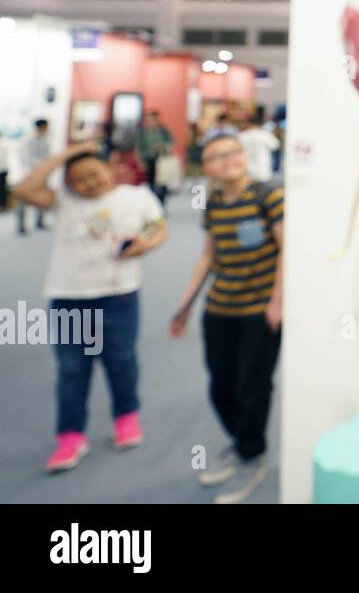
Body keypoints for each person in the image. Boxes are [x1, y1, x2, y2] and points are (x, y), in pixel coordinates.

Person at [12, 140, 167, 472]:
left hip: (119, 296)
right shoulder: (63, 202)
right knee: (71, 371)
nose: (89, 183)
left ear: (108, 169)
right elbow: (23, 189)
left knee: (121, 362)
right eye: (79, 179)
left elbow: (157, 227)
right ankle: (70, 436)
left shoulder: (136, 196)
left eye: (95, 174)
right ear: (68, 183)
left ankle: (126, 417)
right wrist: (67, 154)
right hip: (70, 299)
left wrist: (146, 244)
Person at [169, 134, 284, 504]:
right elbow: (208, 257)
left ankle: (252, 454)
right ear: (207, 168)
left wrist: (277, 303)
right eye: (217, 157)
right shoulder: (214, 202)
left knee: (254, 386)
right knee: (221, 387)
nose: (229, 161)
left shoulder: (268, 195)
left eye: (233, 153)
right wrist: (185, 305)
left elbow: (287, 250)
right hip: (220, 307)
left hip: (257, 310)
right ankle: (244, 445)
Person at [17, 118, 51, 234]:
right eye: (45, 127)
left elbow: (47, 157)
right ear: (40, 127)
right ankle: (21, 225)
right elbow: (25, 158)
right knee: (24, 200)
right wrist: (37, 167)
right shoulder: (29, 140)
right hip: (30, 174)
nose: (46, 130)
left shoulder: (45, 140)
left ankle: (39, 221)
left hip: (42, 174)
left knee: (41, 197)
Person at [135, 110, 174, 208]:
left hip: (162, 159)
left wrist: (162, 146)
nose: (150, 122)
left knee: (163, 182)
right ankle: (153, 205)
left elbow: (171, 143)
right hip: (149, 159)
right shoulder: (142, 133)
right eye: (148, 120)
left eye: (152, 120)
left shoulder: (164, 131)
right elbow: (138, 147)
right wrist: (140, 161)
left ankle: (162, 203)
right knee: (151, 182)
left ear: (157, 120)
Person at [237, 115, 280, 184]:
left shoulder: (242, 136)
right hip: (263, 170)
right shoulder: (265, 135)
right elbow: (275, 145)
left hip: (247, 170)